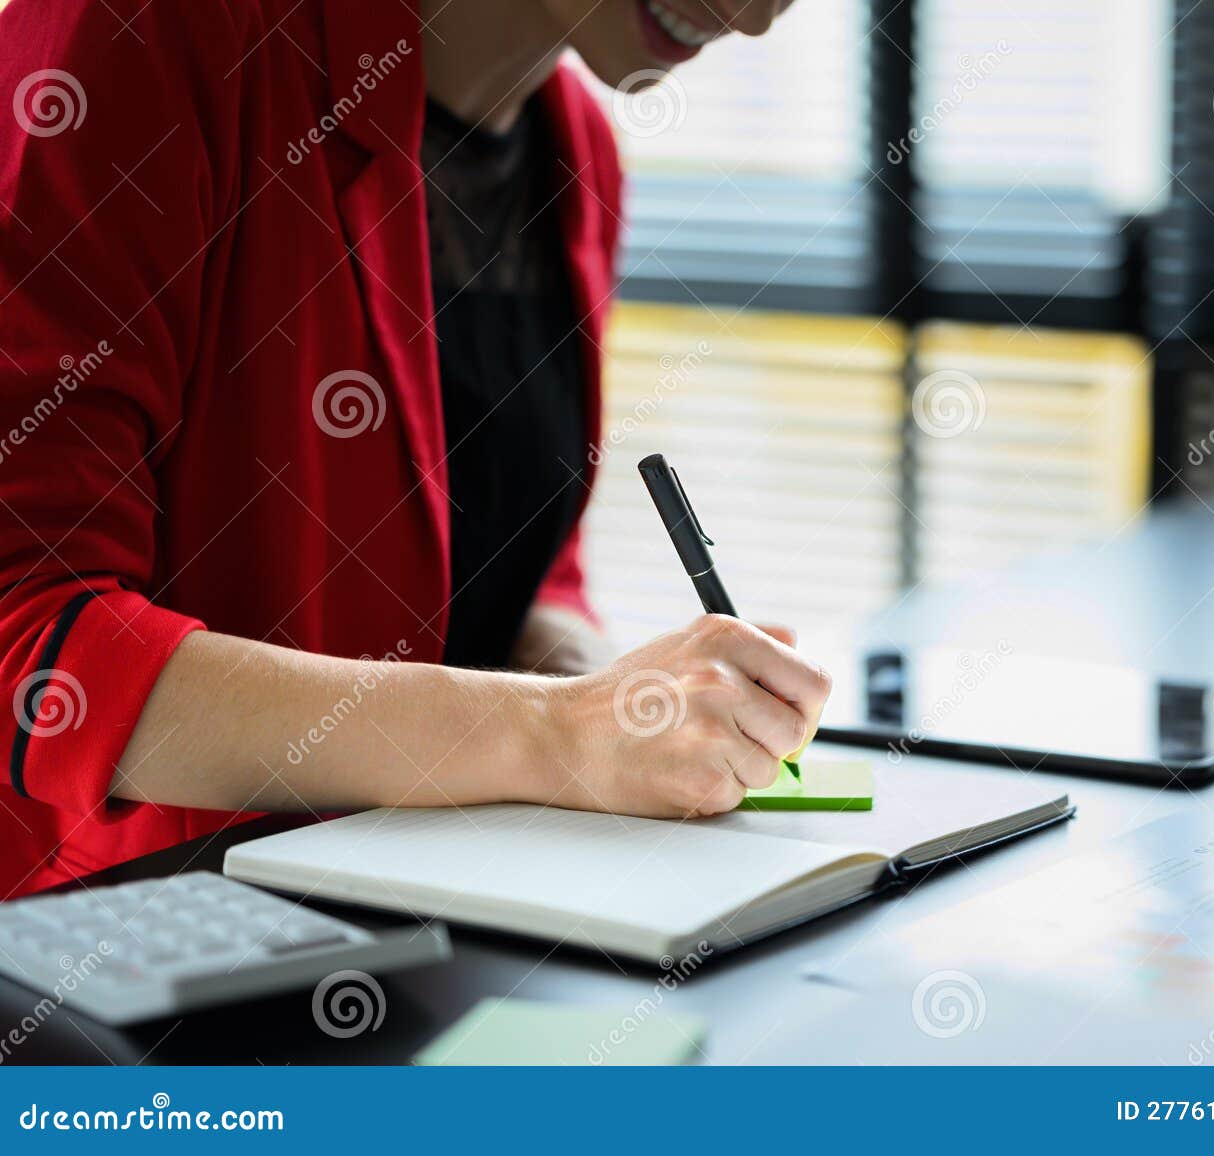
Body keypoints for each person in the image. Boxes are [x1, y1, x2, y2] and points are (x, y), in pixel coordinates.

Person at [0, 0, 824, 898]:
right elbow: (31, 642)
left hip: (412, 908)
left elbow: (511, 578)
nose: (753, 16)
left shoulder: (577, 154)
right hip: (118, 931)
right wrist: (559, 731)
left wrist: (620, 703)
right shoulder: (142, 29)